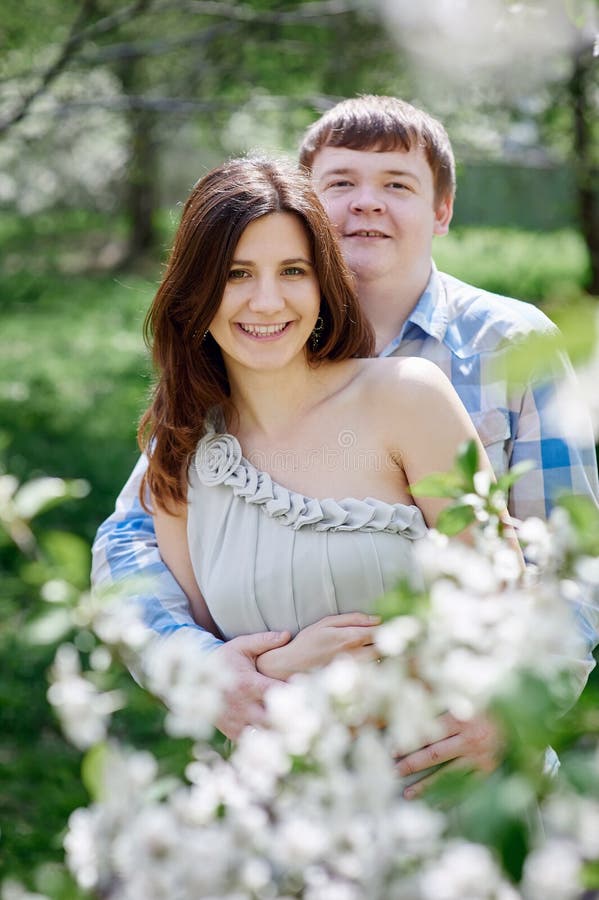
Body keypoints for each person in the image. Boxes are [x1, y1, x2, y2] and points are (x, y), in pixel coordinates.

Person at [92, 96, 598, 782]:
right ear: (308, 200)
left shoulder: (503, 347)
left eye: (395, 184)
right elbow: (132, 538)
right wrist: (204, 663)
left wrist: (517, 708)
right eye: (340, 183)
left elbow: (571, 557)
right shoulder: (212, 409)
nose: (366, 203)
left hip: (449, 763)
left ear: (441, 209)